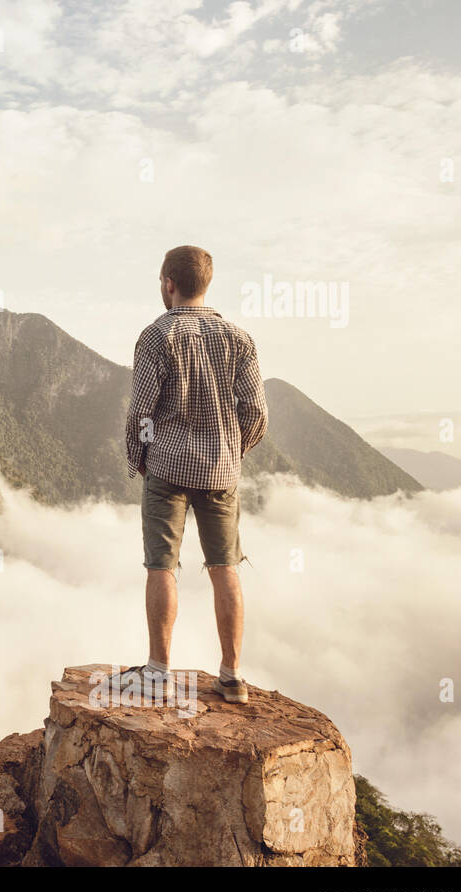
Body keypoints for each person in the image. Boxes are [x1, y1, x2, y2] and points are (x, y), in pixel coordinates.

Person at [118, 245, 268, 704]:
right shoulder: (238, 339)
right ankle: (232, 675)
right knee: (226, 569)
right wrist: (233, 451)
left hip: (167, 468)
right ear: (206, 283)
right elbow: (257, 412)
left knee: (161, 566)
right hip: (221, 471)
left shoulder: (156, 337)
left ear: (168, 283)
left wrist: (137, 456)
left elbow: (141, 410)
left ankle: (159, 669)